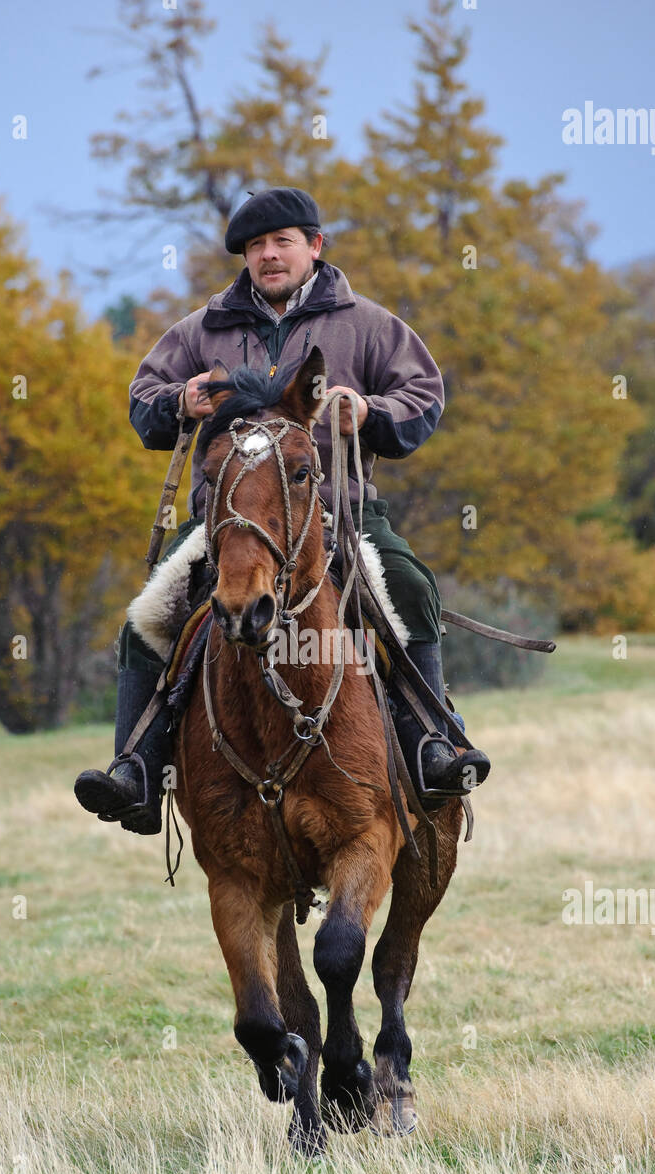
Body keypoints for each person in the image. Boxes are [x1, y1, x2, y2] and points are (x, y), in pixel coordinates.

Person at [74, 187, 490, 834]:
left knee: (409, 587)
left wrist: (370, 412)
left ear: (314, 246)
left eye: (282, 242)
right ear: (244, 257)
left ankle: (434, 746)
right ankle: (136, 771)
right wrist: (178, 400)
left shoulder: (368, 324)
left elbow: (423, 397)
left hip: (340, 514)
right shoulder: (201, 329)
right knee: (148, 616)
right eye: (255, 247)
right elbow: (143, 399)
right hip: (228, 521)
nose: (268, 256)